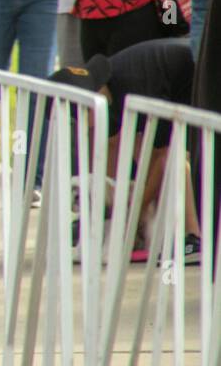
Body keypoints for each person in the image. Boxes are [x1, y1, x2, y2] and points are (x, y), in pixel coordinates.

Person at [51, 42, 202, 264]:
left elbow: (164, 157)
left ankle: (192, 237)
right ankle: (170, 230)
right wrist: (111, 204)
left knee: (173, 157)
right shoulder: (110, 92)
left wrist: (133, 214)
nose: (87, 123)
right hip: (175, 78)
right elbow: (114, 149)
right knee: (144, 149)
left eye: (85, 115)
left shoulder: (135, 87)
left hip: (192, 78)